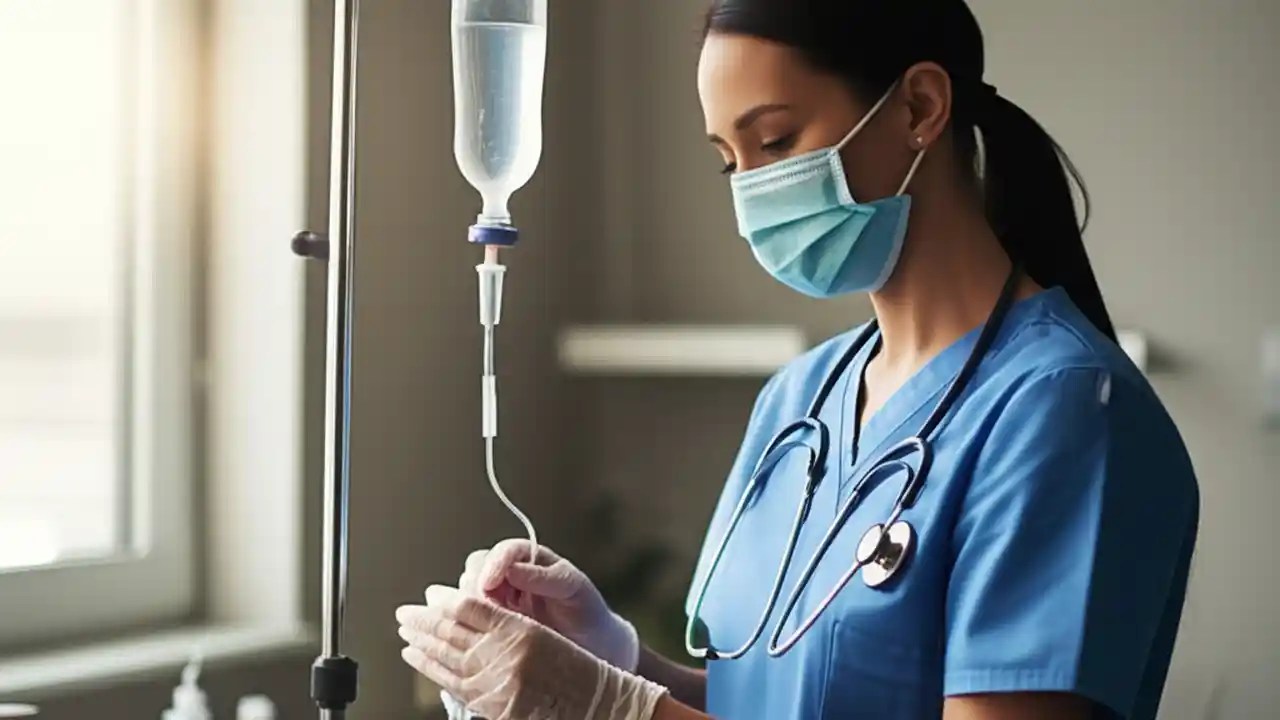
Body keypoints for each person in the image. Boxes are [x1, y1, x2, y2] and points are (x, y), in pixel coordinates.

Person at [394, 0, 1200, 718]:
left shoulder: (1063, 413)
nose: (750, 196)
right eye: (728, 161)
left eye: (775, 140)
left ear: (920, 106)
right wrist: (625, 665)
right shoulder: (800, 402)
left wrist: (609, 711)